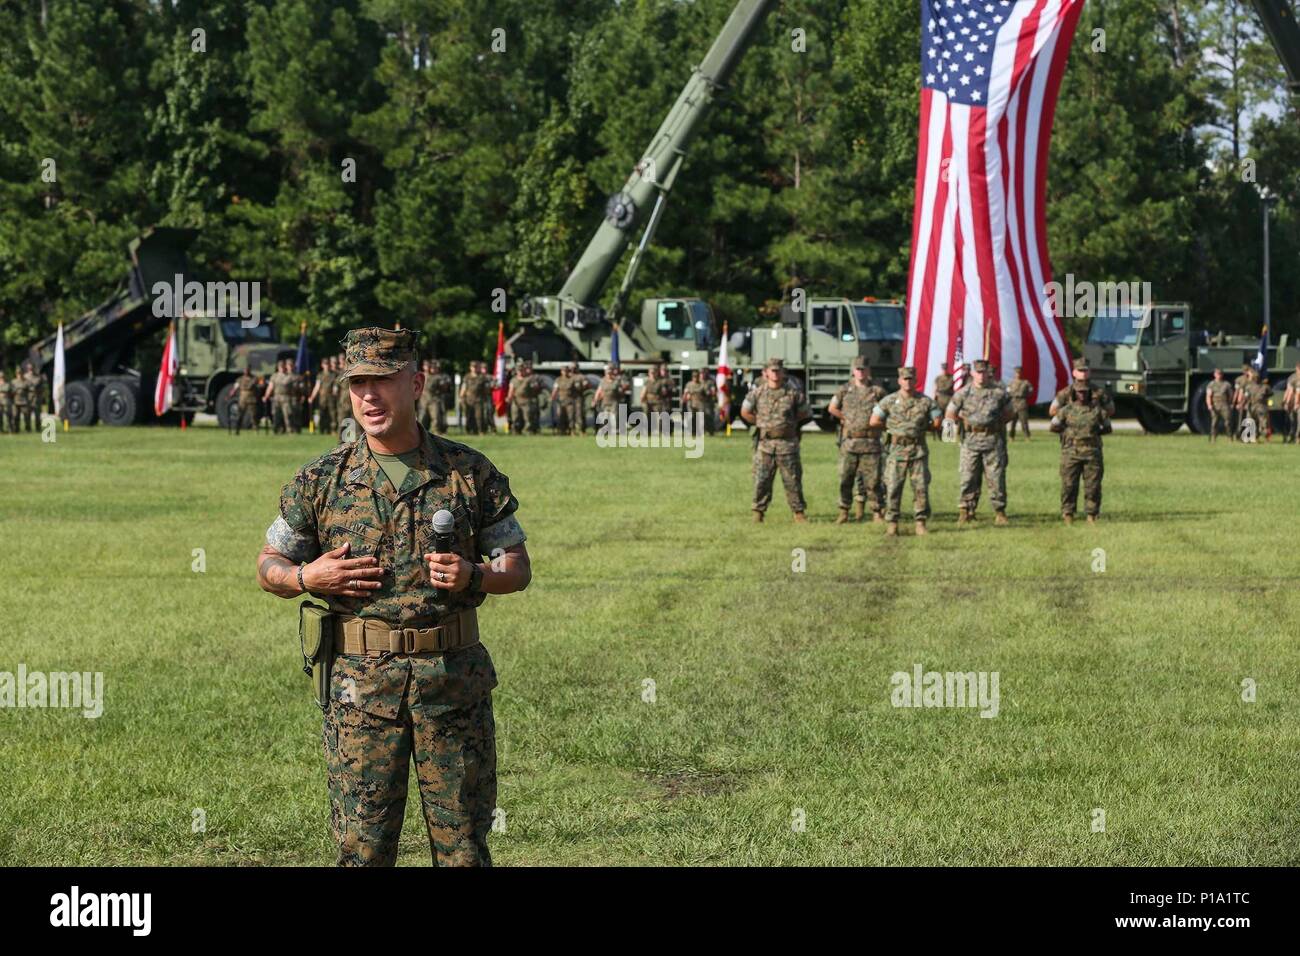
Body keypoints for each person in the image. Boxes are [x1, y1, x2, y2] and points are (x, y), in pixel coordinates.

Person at [255, 327, 531, 867]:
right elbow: (268, 565)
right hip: (361, 695)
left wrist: (474, 574)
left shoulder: (468, 473)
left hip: (453, 687)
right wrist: (308, 577)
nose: (369, 397)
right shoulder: (324, 479)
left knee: (463, 852)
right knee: (363, 852)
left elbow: (516, 568)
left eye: (382, 381)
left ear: (417, 382)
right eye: (358, 384)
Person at [871, 367, 941, 536]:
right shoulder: (889, 400)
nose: (907, 382)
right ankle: (892, 524)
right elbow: (874, 421)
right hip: (896, 451)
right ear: (899, 381)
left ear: (915, 380)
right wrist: (891, 429)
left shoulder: (926, 401)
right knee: (893, 487)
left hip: (918, 451)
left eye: (910, 379)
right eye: (904, 379)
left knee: (920, 488)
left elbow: (938, 422)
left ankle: (920, 523)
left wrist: (923, 428)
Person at [741, 358, 811, 523]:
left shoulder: (793, 394)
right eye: (772, 371)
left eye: (778, 370)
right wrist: (760, 423)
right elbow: (745, 412)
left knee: (793, 481)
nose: (775, 374)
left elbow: (805, 412)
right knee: (761, 480)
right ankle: (758, 512)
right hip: (765, 445)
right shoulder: (757, 393)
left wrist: (790, 424)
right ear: (766, 373)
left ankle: (798, 513)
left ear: (783, 373)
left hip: (787, 444)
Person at [946, 359, 1015, 526]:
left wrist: (995, 424)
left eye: (984, 372)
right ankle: (965, 511)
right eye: (978, 372)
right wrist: (964, 423)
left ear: (988, 373)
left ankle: (1000, 512)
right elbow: (949, 413)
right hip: (970, 442)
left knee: (996, 478)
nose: (981, 375)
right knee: (968, 477)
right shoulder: (963, 393)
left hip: (993, 441)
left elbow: (1010, 413)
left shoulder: (999, 393)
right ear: (972, 373)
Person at [827, 357, 886, 524]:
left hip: (871, 442)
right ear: (853, 371)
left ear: (868, 371)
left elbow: (887, 409)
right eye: (857, 369)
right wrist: (844, 418)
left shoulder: (877, 391)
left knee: (874, 480)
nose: (860, 372)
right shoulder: (844, 390)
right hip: (850, 443)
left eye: (863, 369)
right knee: (846, 479)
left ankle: (877, 512)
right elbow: (832, 408)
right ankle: (844, 512)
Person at [1051, 377, 1111, 524]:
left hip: (1092, 453)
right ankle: (1068, 514)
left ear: (1089, 393)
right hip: (1071, 453)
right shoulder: (1065, 410)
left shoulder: (1097, 411)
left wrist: (1092, 435)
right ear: (1074, 393)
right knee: (1069, 484)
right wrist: (1068, 433)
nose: (1082, 395)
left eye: (1084, 392)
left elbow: (1108, 427)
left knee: (1093, 485)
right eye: (1079, 392)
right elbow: (1053, 426)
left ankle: (1091, 515)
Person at [1049, 358, 1115, 418]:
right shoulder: (1065, 392)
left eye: (1085, 370)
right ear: (1074, 373)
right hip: (1071, 427)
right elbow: (1052, 411)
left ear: (1089, 372)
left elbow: (1111, 410)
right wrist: (1069, 414)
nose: (1083, 373)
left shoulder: (1099, 391)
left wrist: (1095, 414)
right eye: (1080, 370)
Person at [506, 361, 544, 435]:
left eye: (521, 370)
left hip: (526, 401)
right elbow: (511, 390)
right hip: (516, 401)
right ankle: (516, 431)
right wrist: (509, 398)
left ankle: (528, 431)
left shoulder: (529, 379)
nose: (520, 372)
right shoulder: (513, 380)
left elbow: (535, 388)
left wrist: (536, 387)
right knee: (515, 417)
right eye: (518, 370)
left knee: (528, 417)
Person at [550, 364, 585, 436]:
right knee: (560, 416)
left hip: (570, 401)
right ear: (561, 372)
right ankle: (561, 431)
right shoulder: (558, 380)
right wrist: (552, 397)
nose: (565, 372)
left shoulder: (572, 379)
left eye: (566, 371)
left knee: (570, 417)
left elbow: (577, 390)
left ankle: (572, 430)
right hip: (561, 401)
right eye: (563, 371)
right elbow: (555, 389)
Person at [682, 369, 718, 436]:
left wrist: (709, 393)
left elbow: (708, 393)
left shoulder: (702, 384)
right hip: (692, 404)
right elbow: (685, 394)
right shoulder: (689, 384)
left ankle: (705, 432)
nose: (695, 378)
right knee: (691, 418)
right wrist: (686, 397)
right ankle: (691, 432)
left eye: (696, 376)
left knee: (703, 419)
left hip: (701, 404)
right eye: (694, 376)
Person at [1243, 368, 1272, 442]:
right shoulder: (1249, 387)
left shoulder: (1264, 387)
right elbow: (1246, 397)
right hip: (1254, 406)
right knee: (1254, 422)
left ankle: (1264, 437)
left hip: (1259, 406)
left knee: (1262, 423)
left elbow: (1269, 395)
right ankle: (1255, 437)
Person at [1205, 368, 1233, 443]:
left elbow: (1230, 395)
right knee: (1214, 423)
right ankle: (1214, 438)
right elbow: (1208, 396)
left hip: (1224, 405)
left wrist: (1229, 404)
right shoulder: (1211, 384)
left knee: (1228, 422)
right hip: (1215, 405)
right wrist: (1209, 405)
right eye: (1217, 374)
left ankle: (1230, 437)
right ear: (1214, 375)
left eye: (1220, 374)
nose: (1219, 375)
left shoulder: (1226, 384)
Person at [1006, 366, 1033, 440]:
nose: (1018, 374)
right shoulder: (1011, 383)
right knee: (1012, 422)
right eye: (1017, 373)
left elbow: (1031, 391)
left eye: (1019, 373)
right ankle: (1011, 436)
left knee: (1024, 421)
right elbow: (1007, 392)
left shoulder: (1026, 383)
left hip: (1022, 403)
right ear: (1015, 374)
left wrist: (1025, 395)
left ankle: (1027, 436)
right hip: (1013, 403)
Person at [310, 358, 335, 436]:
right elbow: (317, 387)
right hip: (322, 397)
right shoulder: (320, 375)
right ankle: (322, 429)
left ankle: (332, 429)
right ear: (322, 365)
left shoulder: (333, 374)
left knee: (332, 413)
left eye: (327, 364)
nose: (326, 366)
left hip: (331, 396)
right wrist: (312, 397)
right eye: (325, 364)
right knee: (322, 413)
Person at [235, 366, 260, 435]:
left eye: (247, 370)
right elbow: (236, 387)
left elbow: (259, 387)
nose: (246, 371)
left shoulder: (254, 378)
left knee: (254, 415)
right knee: (240, 415)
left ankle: (256, 430)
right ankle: (237, 430)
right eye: (245, 370)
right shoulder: (240, 379)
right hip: (242, 399)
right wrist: (230, 394)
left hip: (252, 399)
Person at [474, 362, 496, 434]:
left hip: (488, 397)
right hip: (480, 398)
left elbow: (496, 385)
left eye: (485, 368)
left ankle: (492, 429)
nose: (484, 370)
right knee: (481, 415)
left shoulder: (490, 377)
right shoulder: (478, 377)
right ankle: (483, 429)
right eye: (483, 368)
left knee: (489, 413)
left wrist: (492, 385)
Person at [459, 365, 480, 435]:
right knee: (469, 416)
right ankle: (468, 430)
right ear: (470, 368)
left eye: (476, 367)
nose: (474, 368)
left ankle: (477, 430)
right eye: (473, 367)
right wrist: (461, 397)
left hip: (478, 400)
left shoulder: (481, 377)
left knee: (478, 416)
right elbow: (464, 387)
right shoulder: (467, 377)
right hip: (468, 400)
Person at [1284, 360, 1300, 444]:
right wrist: (1286, 402)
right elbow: (1289, 391)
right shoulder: (1293, 378)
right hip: (1294, 403)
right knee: (1292, 421)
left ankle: (1296, 437)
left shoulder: (1293, 378)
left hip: (1296, 403)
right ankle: (1293, 436)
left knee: (1295, 421)